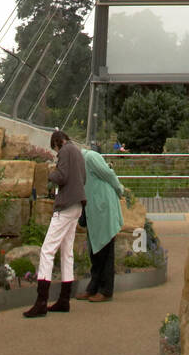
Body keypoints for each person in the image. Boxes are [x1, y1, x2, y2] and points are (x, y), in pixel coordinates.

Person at [23, 128, 86, 319]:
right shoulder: (78, 151)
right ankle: (64, 300)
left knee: (47, 250)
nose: (56, 152)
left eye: (55, 148)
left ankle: (41, 302)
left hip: (65, 206)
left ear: (58, 142)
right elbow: (83, 178)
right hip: (77, 204)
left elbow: (62, 176)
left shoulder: (65, 151)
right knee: (67, 252)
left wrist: (51, 174)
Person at [76, 147, 126, 304]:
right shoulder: (77, 163)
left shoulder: (91, 157)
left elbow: (109, 174)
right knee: (94, 250)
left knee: (105, 249)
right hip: (92, 211)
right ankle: (93, 287)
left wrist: (120, 189)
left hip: (103, 209)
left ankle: (106, 290)